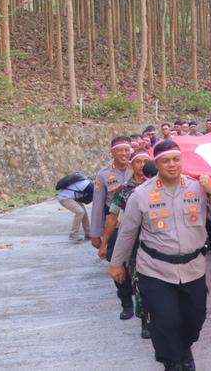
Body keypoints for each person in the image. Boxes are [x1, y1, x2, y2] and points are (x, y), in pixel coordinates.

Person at [109, 139, 211, 371]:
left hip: (193, 268)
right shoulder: (141, 195)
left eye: (175, 159)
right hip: (155, 269)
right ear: (157, 163)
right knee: (165, 320)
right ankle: (171, 361)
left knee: (195, 318)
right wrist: (116, 264)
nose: (171, 165)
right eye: (165, 161)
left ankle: (184, 348)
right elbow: (127, 233)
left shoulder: (198, 188)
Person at [100, 148, 154, 339]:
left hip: (152, 242)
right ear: (131, 165)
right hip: (128, 241)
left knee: (144, 282)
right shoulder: (123, 191)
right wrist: (105, 243)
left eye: (144, 162)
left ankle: (146, 320)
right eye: (137, 162)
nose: (141, 165)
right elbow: (112, 218)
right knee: (125, 278)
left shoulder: (157, 187)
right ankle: (127, 304)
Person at [91, 136, 136, 319]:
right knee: (117, 265)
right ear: (112, 153)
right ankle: (126, 303)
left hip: (138, 228)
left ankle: (140, 300)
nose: (124, 154)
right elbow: (98, 205)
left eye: (127, 150)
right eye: (120, 150)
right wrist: (96, 235)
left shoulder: (138, 168)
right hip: (115, 228)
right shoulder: (103, 175)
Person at [56, 174, 91, 241]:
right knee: (80, 212)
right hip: (64, 198)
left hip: (72, 198)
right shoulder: (90, 186)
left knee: (84, 213)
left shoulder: (88, 183)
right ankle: (73, 234)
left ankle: (88, 234)